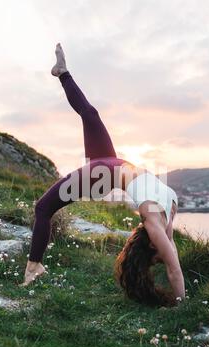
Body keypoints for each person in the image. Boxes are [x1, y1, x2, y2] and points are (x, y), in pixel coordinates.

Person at [22, 43, 185, 307]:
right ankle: (63, 72)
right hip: (110, 165)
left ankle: (33, 267)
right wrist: (182, 304)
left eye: (157, 257)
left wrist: (181, 308)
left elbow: (173, 268)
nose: (163, 254)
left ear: (152, 244)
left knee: (43, 208)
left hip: (104, 174)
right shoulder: (165, 221)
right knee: (90, 113)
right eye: (160, 255)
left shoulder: (155, 222)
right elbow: (173, 265)